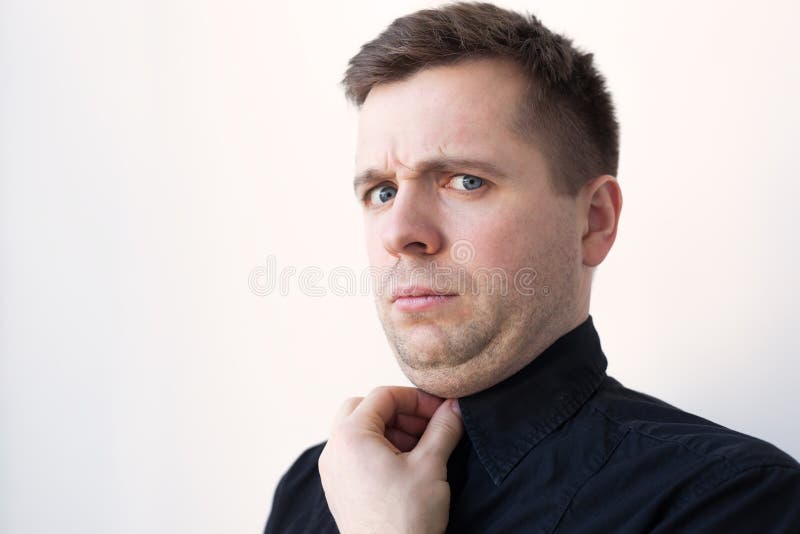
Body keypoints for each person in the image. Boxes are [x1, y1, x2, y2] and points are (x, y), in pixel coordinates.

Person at [264, 2, 800, 532]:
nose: (399, 233)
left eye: (465, 181)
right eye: (381, 191)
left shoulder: (733, 501)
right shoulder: (313, 491)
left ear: (593, 221)